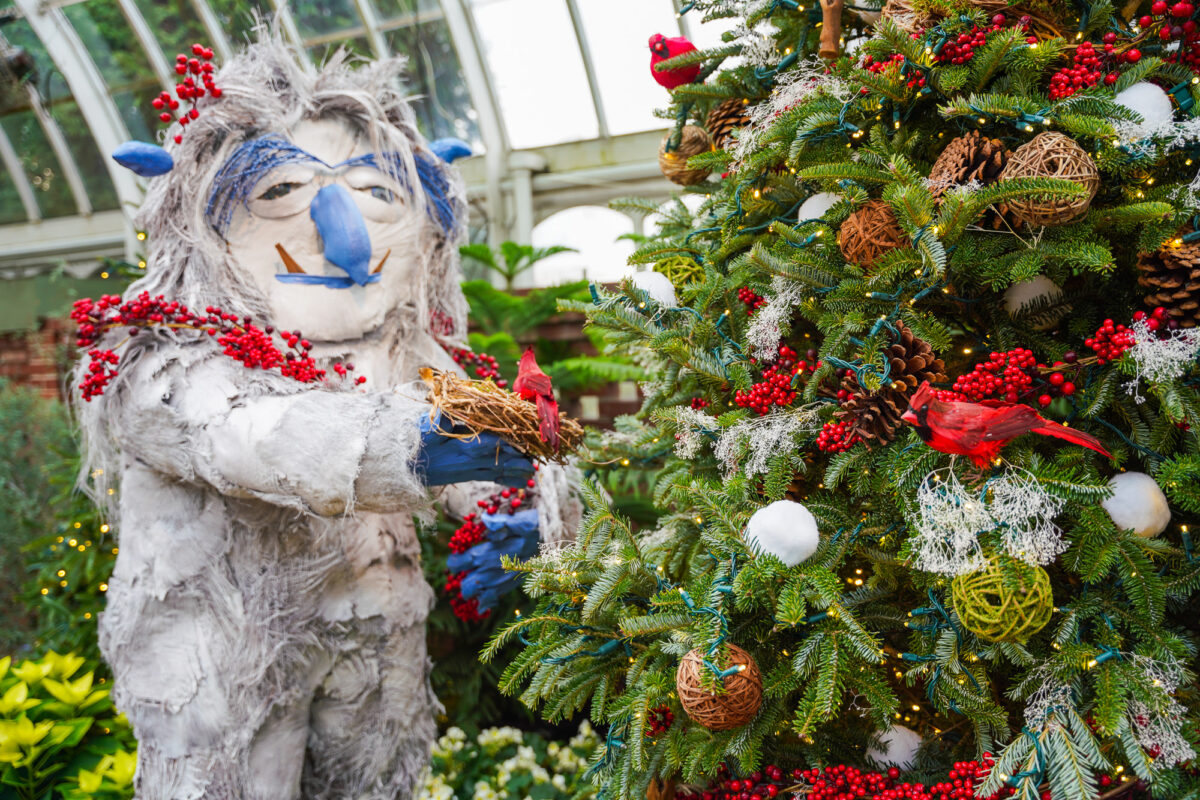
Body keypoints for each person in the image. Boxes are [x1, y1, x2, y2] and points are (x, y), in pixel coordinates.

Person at [76, 33, 577, 800]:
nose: (346, 237)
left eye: (378, 193)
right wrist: (408, 446)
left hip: (377, 635)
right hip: (224, 657)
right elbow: (243, 437)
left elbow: (470, 437)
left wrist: (513, 504)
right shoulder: (164, 352)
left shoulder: (411, 353)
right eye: (280, 192)